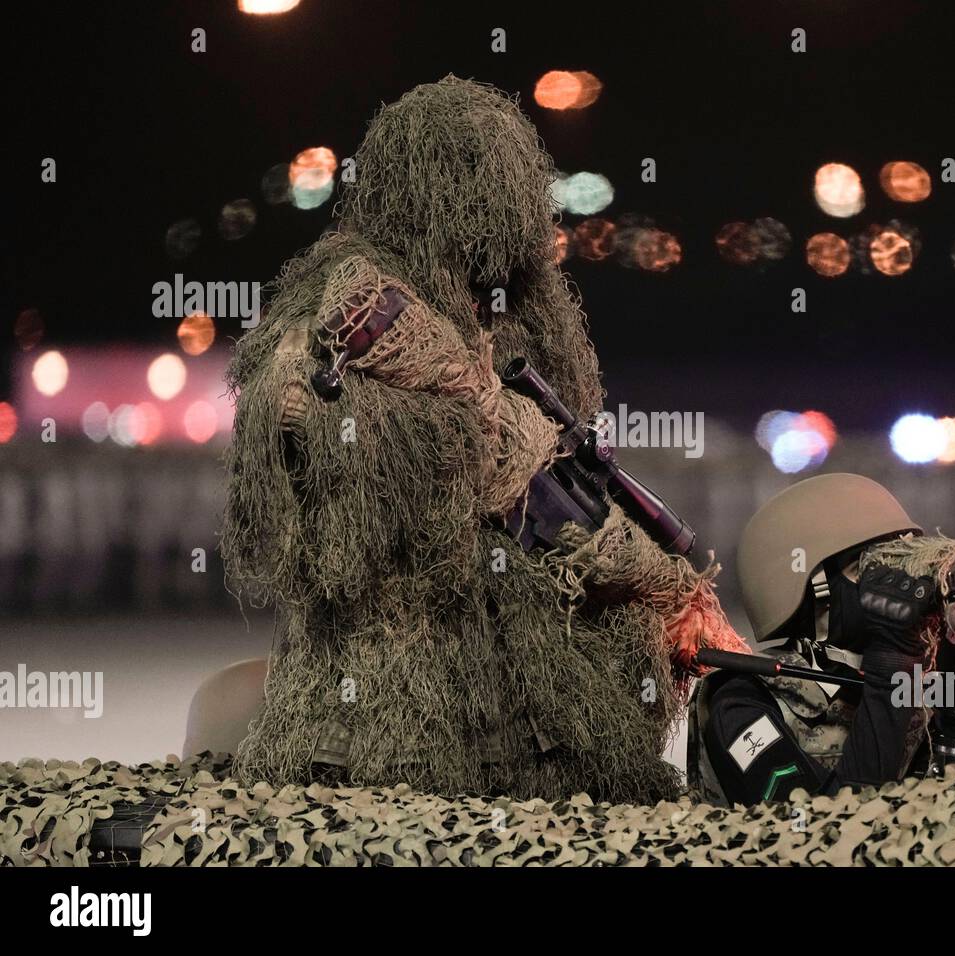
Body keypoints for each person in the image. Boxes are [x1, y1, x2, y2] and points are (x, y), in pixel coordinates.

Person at [202, 76, 746, 804]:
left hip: (524, 675)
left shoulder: (519, 312)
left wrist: (660, 582)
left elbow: (560, 471)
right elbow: (296, 454)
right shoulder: (347, 298)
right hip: (392, 697)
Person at [688, 473, 955, 805]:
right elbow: (823, 840)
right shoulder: (740, 704)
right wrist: (894, 657)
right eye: (873, 570)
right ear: (816, 590)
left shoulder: (915, 682)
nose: (903, 585)